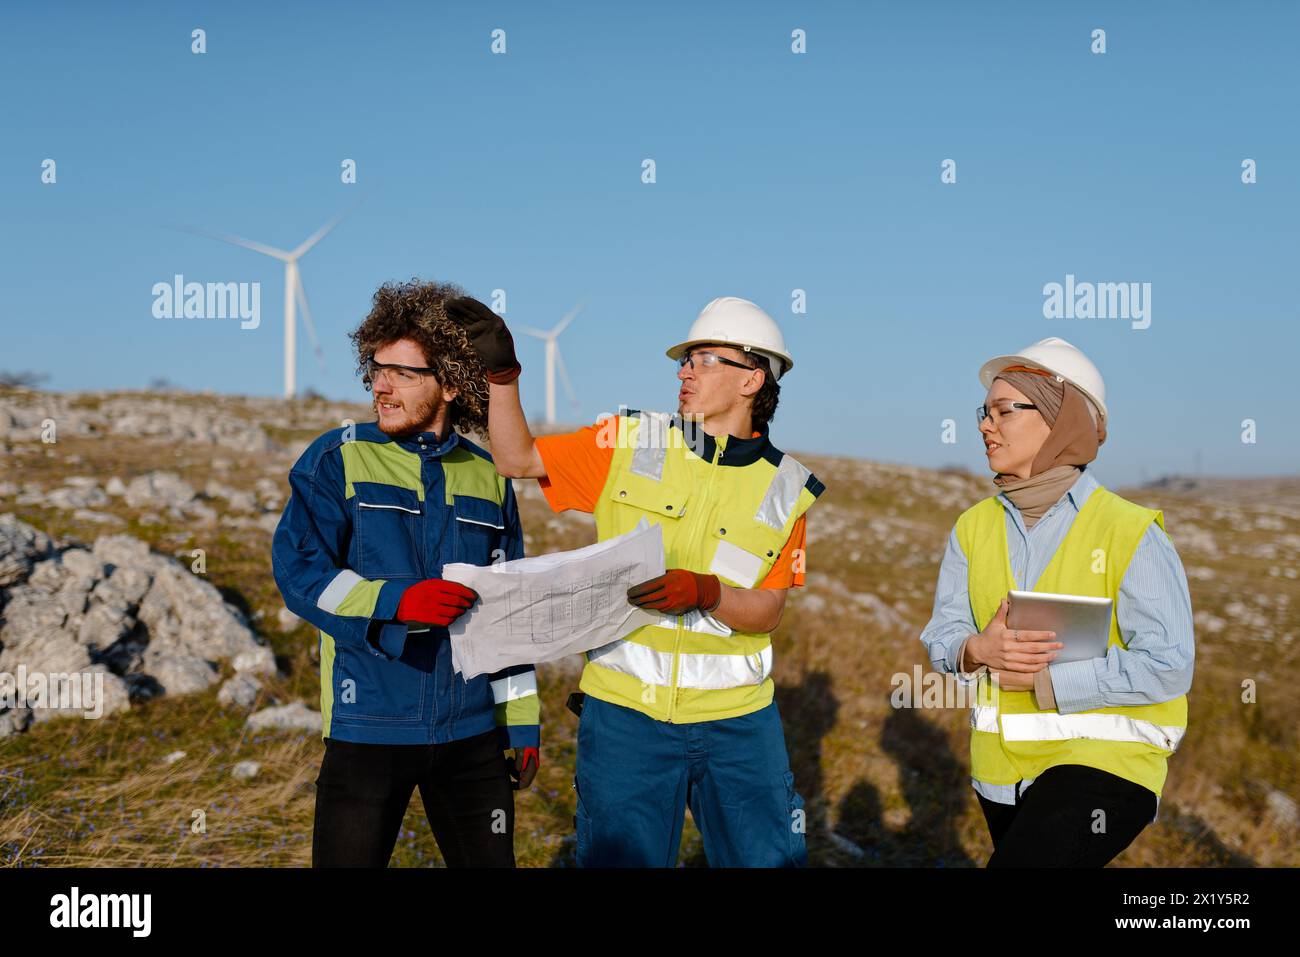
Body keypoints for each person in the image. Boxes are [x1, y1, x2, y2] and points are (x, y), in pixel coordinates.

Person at [446, 294, 824, 867]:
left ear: (752, 378)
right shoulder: (629, 441)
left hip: (741, 725)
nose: (684, 371)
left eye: (704, 360)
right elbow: (516, 458)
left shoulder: (785, 489)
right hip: (625, 720)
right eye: (684, 360)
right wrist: (502, 376)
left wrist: (710, 593)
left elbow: (768, 611)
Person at [271, 279, 540, 867]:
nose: (380, 386)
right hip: (368, 725)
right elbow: (300, 574)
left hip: (472, 732)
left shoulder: (490, 474)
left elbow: (509, 608)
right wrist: (397, 602)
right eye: (375, 367)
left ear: (448, 385)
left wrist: (519, 720)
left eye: (401, 373)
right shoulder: (336, 458)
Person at [919, 336, 1194, 867]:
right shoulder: (971, 527)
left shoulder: (1129, 530)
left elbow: (1170, 664)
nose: (984, 425)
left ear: (1060, 421)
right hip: (1002, 774)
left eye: (1004, 410)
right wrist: (975, 649)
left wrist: (1049, 682)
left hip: (1110, 765)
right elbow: (941, 635)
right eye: (984, 411)